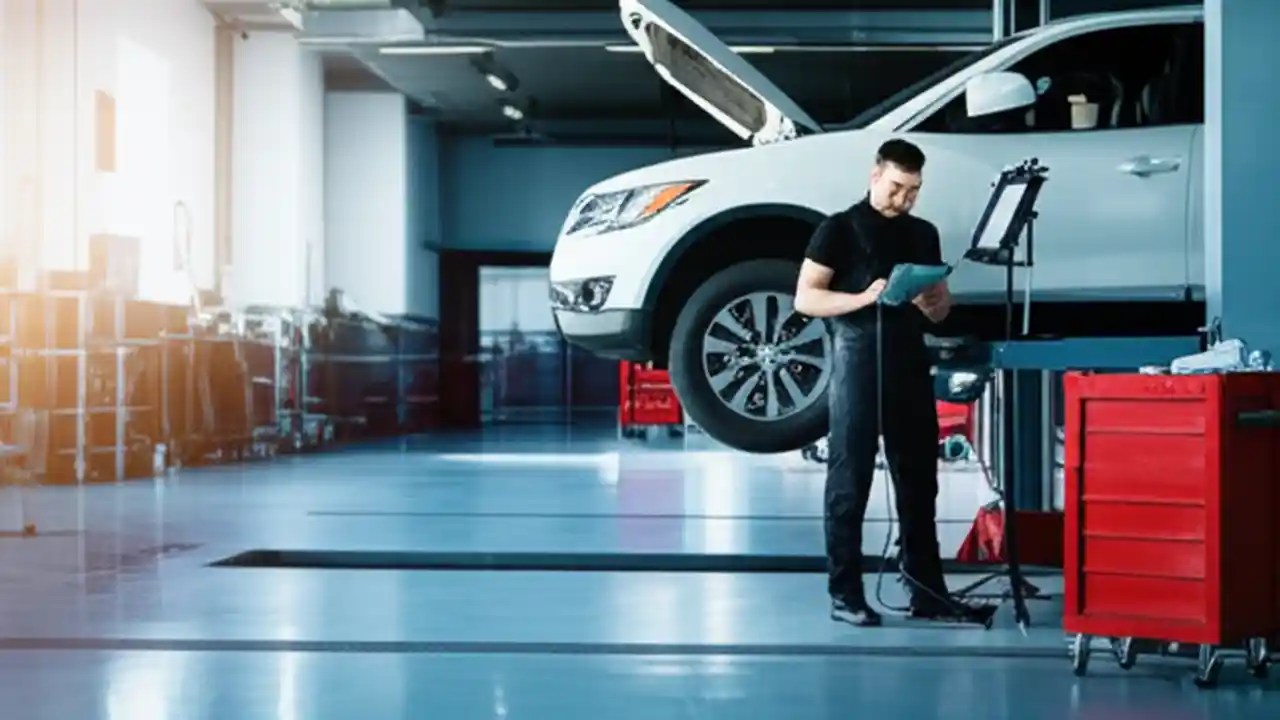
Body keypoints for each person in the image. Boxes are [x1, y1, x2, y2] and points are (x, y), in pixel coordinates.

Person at [794, 138, 982, 627]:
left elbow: (941, 310)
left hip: (909, 358)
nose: (905, 200)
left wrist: (934, 302)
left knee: (920, 481)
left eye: (914, 191)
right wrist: (861, 297)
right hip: (857, 357)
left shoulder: (924, 233)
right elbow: (806, 299)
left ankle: (926, 591)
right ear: (875, 174)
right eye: (898, 187)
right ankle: (845, 594)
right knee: (849, 480)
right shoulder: (837, 228)